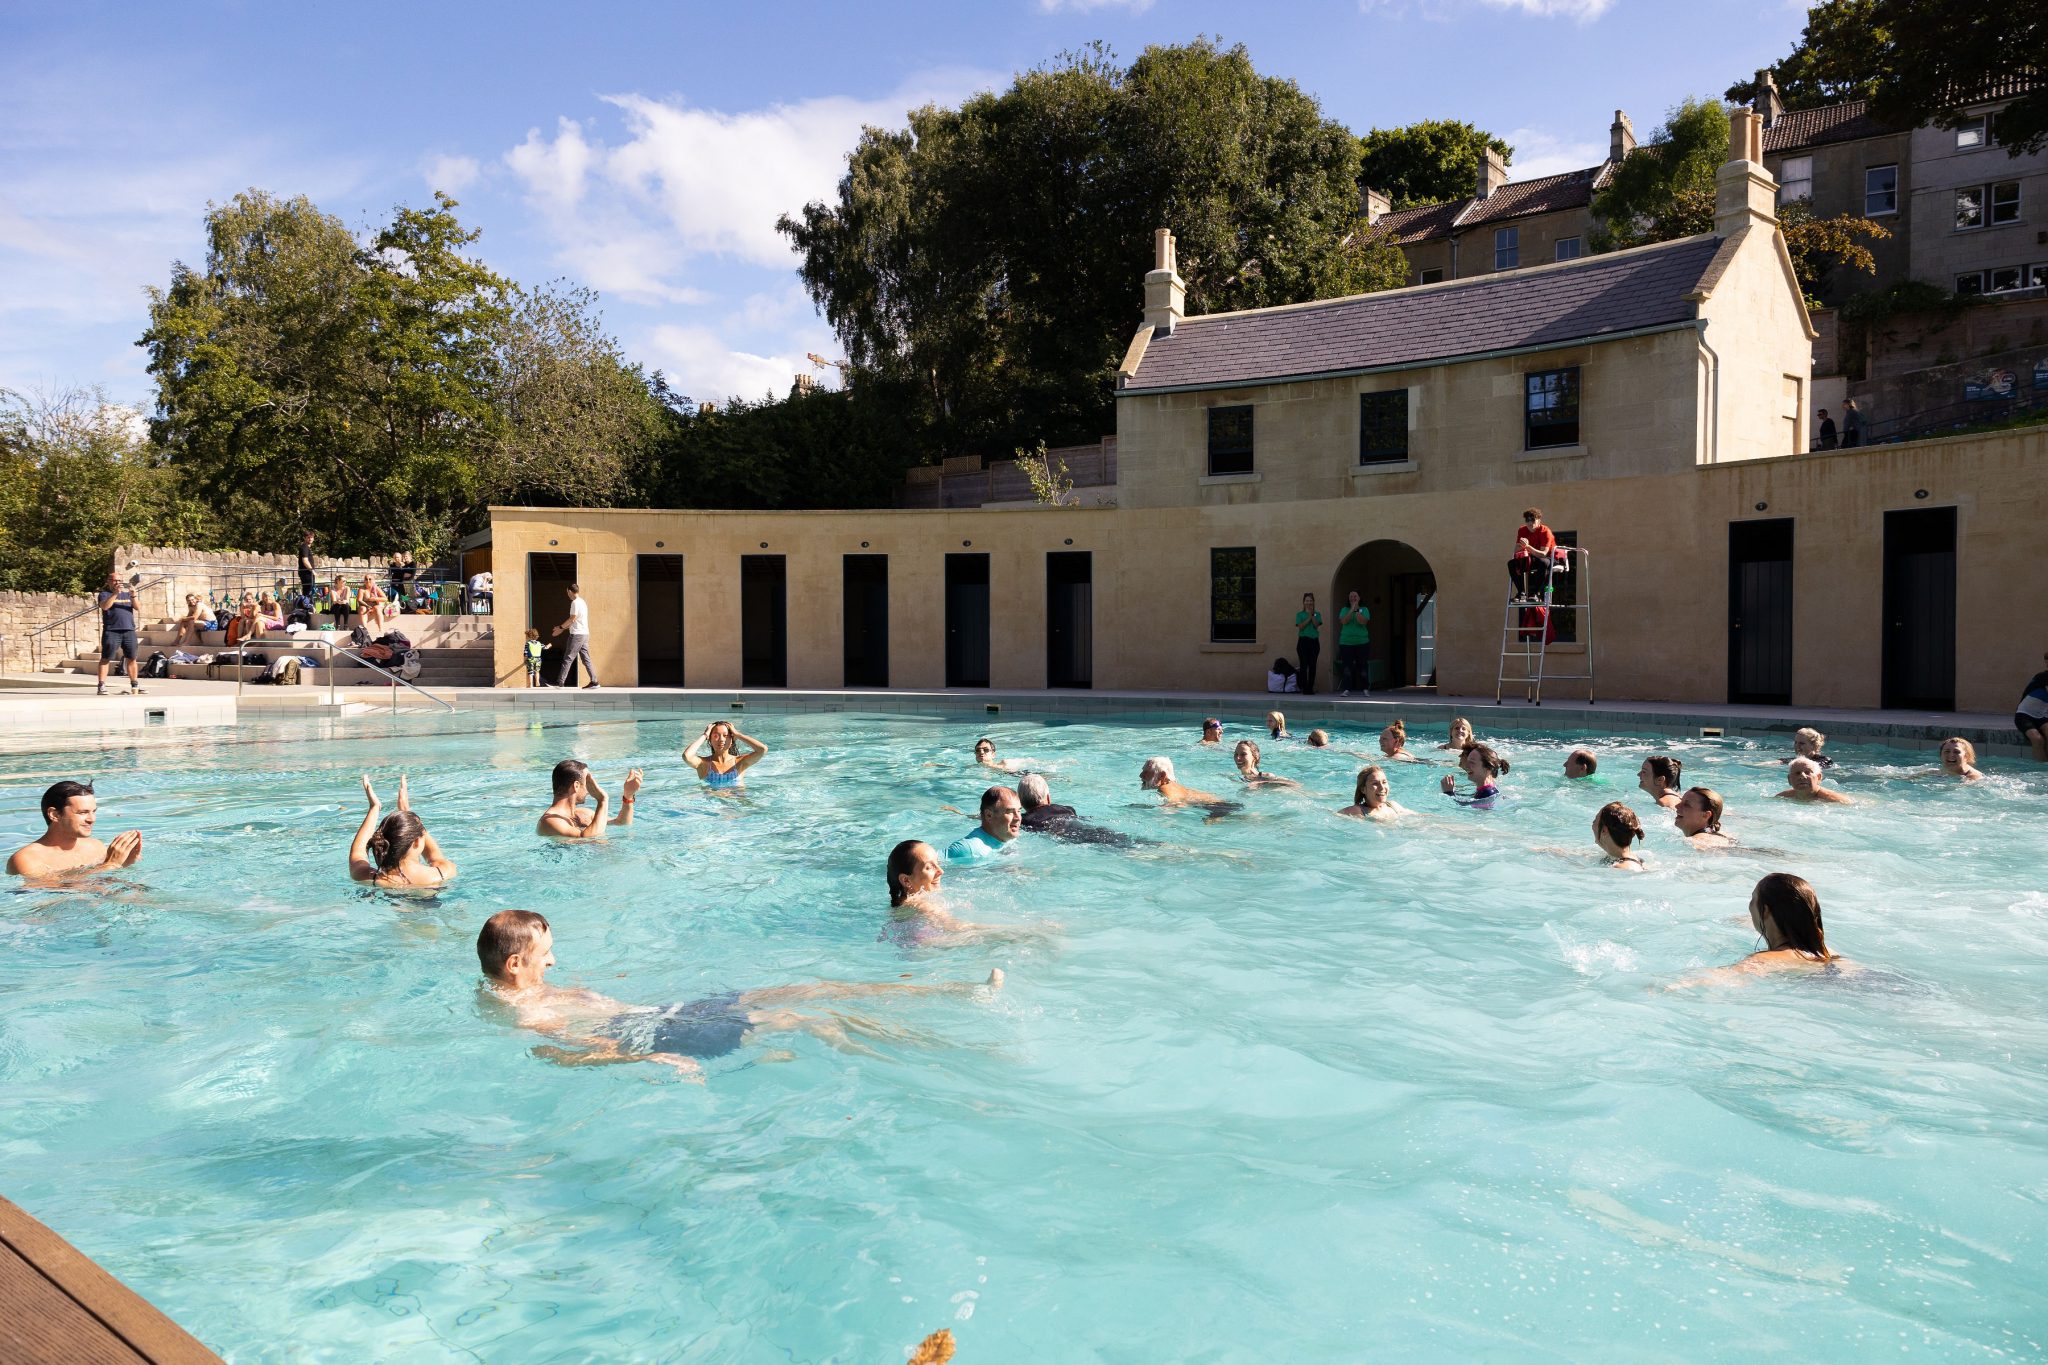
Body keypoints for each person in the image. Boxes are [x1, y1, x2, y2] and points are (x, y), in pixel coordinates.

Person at [477, 909, 1002, 1074]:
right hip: (664, 1034)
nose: (554, 960)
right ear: (516, 964)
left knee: (810, 989)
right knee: (813, 1019)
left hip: (668, 1013)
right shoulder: (524, 1014)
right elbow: (561, 1054)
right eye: (546, 954)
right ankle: (943, 1059)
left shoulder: (531, 993)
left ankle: (954, 992)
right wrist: (651, 1059)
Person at [1672, 873, 1840, 986]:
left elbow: (1728, 977)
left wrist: (1672, 986)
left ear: (1765, 911)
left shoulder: (1765, 959)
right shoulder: (1829, 954)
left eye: (1753, 900)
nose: (1750, 906)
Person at [885, 840, 1051, 946]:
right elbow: (958, 927)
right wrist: (1027, 930)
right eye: (929, 867)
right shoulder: (922, 904)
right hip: (925, 955)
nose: (941, 871)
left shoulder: (902, 904)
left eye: (937, 863)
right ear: (906, 880)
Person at [7, 780, 142, 878]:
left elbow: (105, 883)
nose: (92, 819)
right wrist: (110, 865)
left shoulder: (95, 846)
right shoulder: (27, 858)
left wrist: (125, 862)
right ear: (54, 814)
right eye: (83, 812)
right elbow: (53, 896)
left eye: (93, 811)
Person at [348, 774, 457, 890]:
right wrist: (407, 814)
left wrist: (374, 808)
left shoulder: (375, 879)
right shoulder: (442, 873)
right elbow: (434, 857)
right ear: (417, 841)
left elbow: (358, 853)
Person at [1016, 773, 1136, 847]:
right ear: (1048, 797)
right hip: (1081, 826)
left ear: (1020, 802)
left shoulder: (1023, 820)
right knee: (1124, 842)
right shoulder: (1067, 809)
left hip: (1067, 836)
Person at [537, 760, 642, 838]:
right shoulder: (549, 821)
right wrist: (603, 800)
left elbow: (621, 823)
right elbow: (588, 838)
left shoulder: (583, 813)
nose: (589, 789)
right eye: (588, 782)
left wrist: (628, 796)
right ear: (576, 786)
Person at [94, 572, 144, 697]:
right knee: (106, 658)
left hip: (129, 630)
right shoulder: (104, 594)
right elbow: (105, 607)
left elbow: (138, 607)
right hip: (112, 630)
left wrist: (133, 595)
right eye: (115, 581)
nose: (118, 583)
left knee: (132, 658)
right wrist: (115, 593)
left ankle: (135, 685)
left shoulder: (127, 594)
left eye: (120, 581)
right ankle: (101, 686)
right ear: (109, 581)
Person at [948, 785, 1022, 861]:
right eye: (1010, 812)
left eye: (1019, 811)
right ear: (989, 815)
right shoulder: (969, 848)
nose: (1018, 818)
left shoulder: (1009, 838)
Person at [1140, 756, 1236, 813]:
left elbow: (1177, 804)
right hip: (1224, 805)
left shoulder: (1164, 789)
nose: (1141, 775)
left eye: (1146, 772)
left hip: (1217, 808)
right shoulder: (1173, 785)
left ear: (1162, 775)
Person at [685, 721, 766, 787]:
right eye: (716, 736)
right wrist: (705, 735)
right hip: (712, 802)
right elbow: (687, 756)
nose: (721, 739)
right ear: (710, 740)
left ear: (731, 739)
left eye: (725, 735)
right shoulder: (703, 764)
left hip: (737, 802)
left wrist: (737, 734)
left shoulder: (740, 762)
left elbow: (762, 750)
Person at [549, 582, 597, 688]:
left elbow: (572, 618)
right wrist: (562, 628)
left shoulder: (575, 603)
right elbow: (575, 620)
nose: (567, 594)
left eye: (567, 592)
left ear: (570, 591)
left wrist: (560, 628)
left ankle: (560, 683)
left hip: (577, 635)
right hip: (584, 634)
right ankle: (594, 681)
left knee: (568, 658)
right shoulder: (583, 602)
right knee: (586, 659)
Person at [1509, 508, 1558, 602]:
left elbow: (1543, 554)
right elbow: (1516, 551)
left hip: (1550, 558)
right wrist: (1521, 547)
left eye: (1533, 520)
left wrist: (1527, 546)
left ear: (1539, 520)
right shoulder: (1522, 530)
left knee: (1543, 563)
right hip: (1534, 557)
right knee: (1512, 563)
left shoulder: (1545, 531)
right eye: (1527, 520)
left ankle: (1534, 594)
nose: (1530, 523)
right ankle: (1521, 593)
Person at [1441, 743, 1509, 808]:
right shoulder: (1486, 790)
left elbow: (1462, 808)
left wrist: (1449, 793)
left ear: (1488, 768)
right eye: (1467, 762)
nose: (1467, 766)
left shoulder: (1487, 793)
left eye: (1472, 763)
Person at [1337, 765, 1405, 821]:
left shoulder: (1393, 806)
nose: (1382, 787)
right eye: (1375, 783)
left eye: (1384, 782)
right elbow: (1334, 816)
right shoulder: (1357, 811)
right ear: (1363, 789)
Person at [1335, 590, 1371, 697]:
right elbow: (1344, 621)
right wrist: (1351, 610)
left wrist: (1356, 610)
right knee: (1347, 667)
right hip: (1346, 643)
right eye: (1351, 596)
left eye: (1355, 596)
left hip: (1362, 642)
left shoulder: (1364, 609)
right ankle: (1347, 689)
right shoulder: (1344, 609)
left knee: (1363, 666)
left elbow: (1362, 622)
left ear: (1359, 598)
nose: (1353, 598)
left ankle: (1365, 688)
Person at [1592, 802, 1646, 871]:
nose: (1592, 825)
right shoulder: (1634, 860)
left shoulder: (1623, 868)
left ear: (1604, 830)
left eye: (1595, 821)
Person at [2014, 654, 2048, 762]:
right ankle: (2041, 768)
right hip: (2024, 716)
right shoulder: (2042, 677)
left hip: (2043, 716)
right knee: (2037, 739)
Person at [1777, 756, 1852, 805]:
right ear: (1789, 779)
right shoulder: (1782, 797)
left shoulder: (1836, 801)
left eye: (1807, 772)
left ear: (1818, 778)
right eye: (1797, 773)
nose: (1802, 776)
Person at [1233, 739, 1302, 789]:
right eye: (1236, 754)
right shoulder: (1234, 777)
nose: (1238, 758)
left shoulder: (1265, 777)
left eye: (1243, 754)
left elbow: (1295, 785)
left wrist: (1260, 783)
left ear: (1255, 757)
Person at [1294, 593, 1322, 696]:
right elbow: (1301, 626)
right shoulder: (1299, 614)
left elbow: (1316, 625)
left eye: (1310, 600)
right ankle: (1304, 688)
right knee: (1304, 665)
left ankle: (1310, 687)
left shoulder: (1317, 614)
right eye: (1307, 600)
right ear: (1303, 602)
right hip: (1303, 642)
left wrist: (1312, 615)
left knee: (1312, 665)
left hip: (1314, 642)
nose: (1309, 602)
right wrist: (1309, 617)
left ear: (1313, 602)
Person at [296, 530, 318, 599]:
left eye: (311, 537)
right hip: (306, 573)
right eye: (308, 537)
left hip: (307, 573)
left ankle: (307, 604)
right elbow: (305, 560)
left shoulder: (306, 547)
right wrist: (312, 570)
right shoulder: (304, 547)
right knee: (308, 592)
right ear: (305, 538)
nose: (310, 539)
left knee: (309, 592)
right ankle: (307, 605)